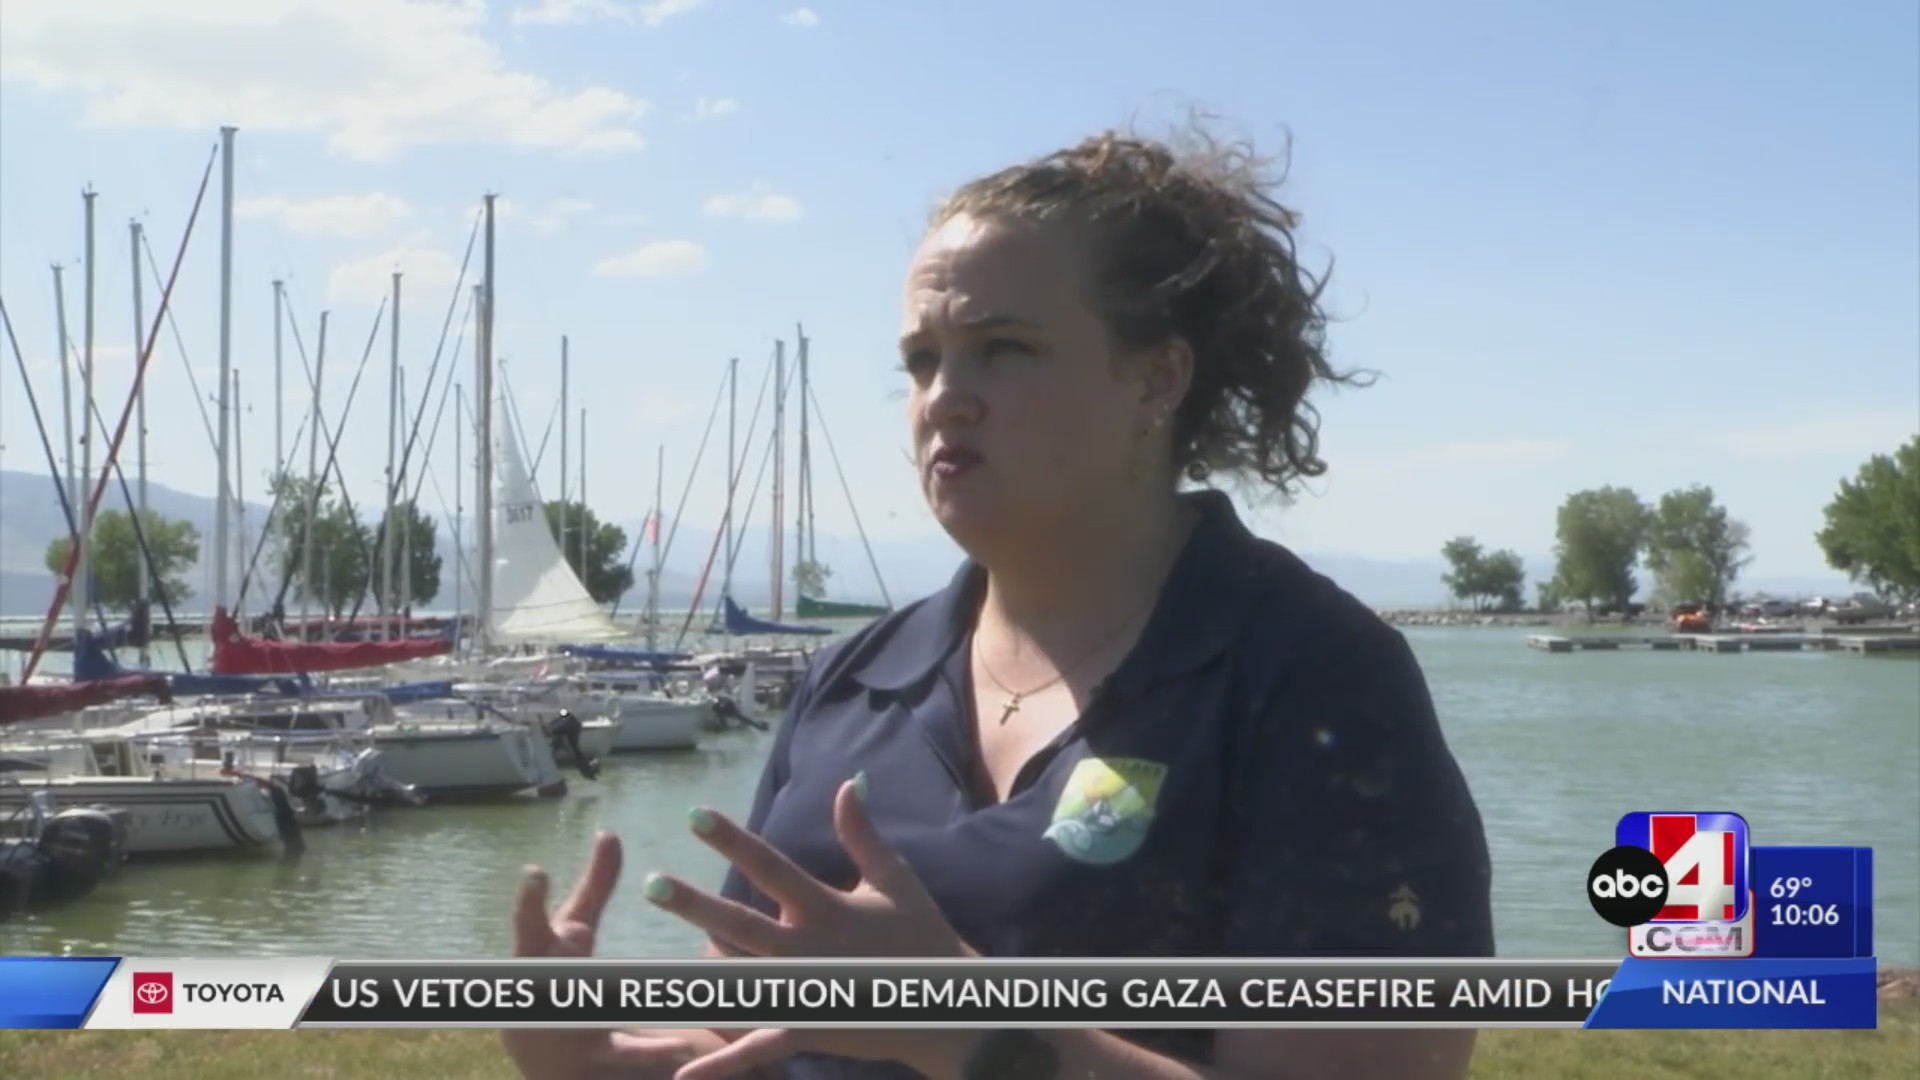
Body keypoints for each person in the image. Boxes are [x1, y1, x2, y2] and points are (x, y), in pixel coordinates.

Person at [504, 121, 1495, 1080]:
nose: (945, 396)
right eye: (922, 360)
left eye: (1005, 349)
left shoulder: (1311, 677)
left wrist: (973, 1032)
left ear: (1156, 379)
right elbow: (752, 1039)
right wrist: (606, 1061)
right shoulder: (850, 683)